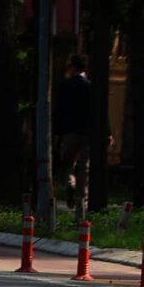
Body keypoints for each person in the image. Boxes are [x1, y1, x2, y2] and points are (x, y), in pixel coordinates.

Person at [53, 51, 93, 212]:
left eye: (69, 66)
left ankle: (70, 184)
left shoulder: (65, 86)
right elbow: (99, 110)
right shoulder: (91, 86)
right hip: (87, 131)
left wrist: (58, 133)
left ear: (74, 67)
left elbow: (59, 111)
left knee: (68, 163)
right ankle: (82, 201)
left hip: (69, 132)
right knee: (84, 166)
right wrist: (108, 132)